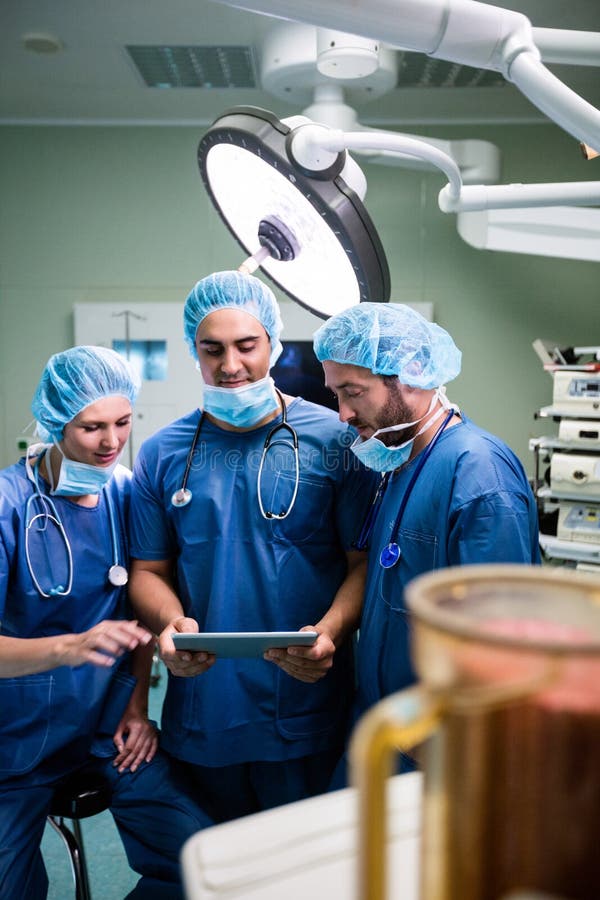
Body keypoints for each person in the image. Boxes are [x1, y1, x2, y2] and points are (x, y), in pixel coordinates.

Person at [128, 270, 377, 823]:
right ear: (195, 350)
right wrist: (171, 624)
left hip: (305, 699)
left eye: (247, 345)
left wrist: (330, 631)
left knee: (305, 867)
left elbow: (363, 564)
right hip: (205, 706)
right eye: (211, 349)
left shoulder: (335, 441)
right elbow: (147, 569)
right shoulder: (163, 451)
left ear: (273, 344)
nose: (230, 365)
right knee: (216, 866)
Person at [0, 346, 211, 900]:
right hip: (12, 749)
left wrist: (138, 706)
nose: (111, 442)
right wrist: (67, 648)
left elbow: (139, 613)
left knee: (204, 857)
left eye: (122, 422)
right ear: (54, 420)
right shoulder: (8, 506)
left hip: (107, 733)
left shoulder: (126, 493)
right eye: (91, 427)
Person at [313, 302, 540, 771]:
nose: (343, 414)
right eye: (336, 394)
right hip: (387, 726)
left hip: (443, 742)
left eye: (354, 392)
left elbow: (503, 632)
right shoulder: (397, 460)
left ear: (412, 373)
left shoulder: (478, 472)